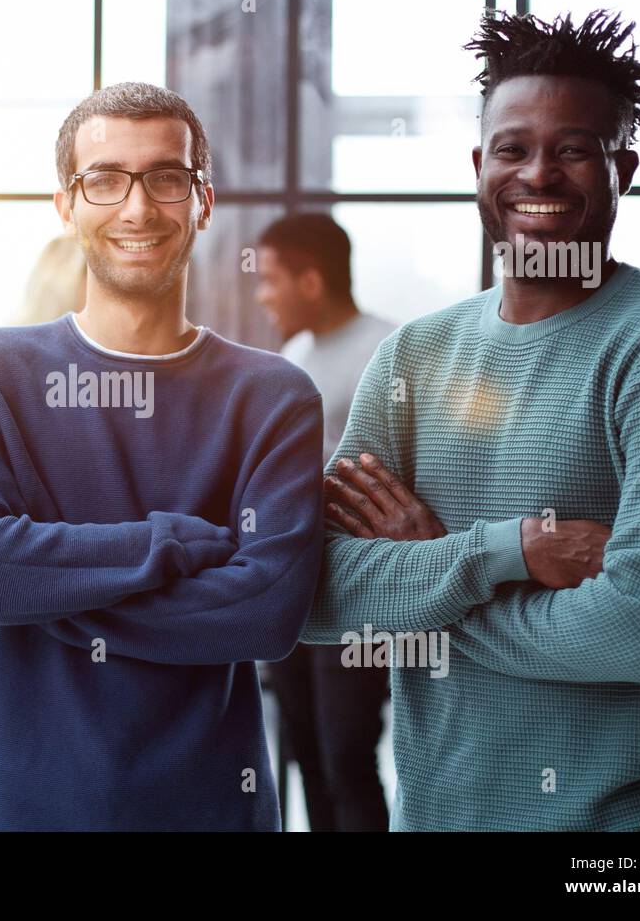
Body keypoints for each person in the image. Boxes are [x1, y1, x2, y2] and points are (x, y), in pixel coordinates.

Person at [307, 10, 640, 831]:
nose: (537, 173)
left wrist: (430, 581)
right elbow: (321, 597)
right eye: (513, 149)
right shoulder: (414, 356)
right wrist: (508, 553)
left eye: (573, 149)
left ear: (625, 168)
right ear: (481, 164)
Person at [0, 82, 325, 831]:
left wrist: (43, 586)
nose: (137, 208)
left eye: (165, 178)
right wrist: (165, 542)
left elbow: (266, 614)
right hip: (26, 811)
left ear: (202, 201)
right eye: (104, 179)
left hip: (211, 812)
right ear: (66, 206)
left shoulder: (274, 396)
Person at [253, 212, 396, 830]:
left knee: (347, 755)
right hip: (297, 592)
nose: (262, 296)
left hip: (359, 598)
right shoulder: (295, 354)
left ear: (310, 281)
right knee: (308, 755)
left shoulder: (387, 350)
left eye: (270, 280)